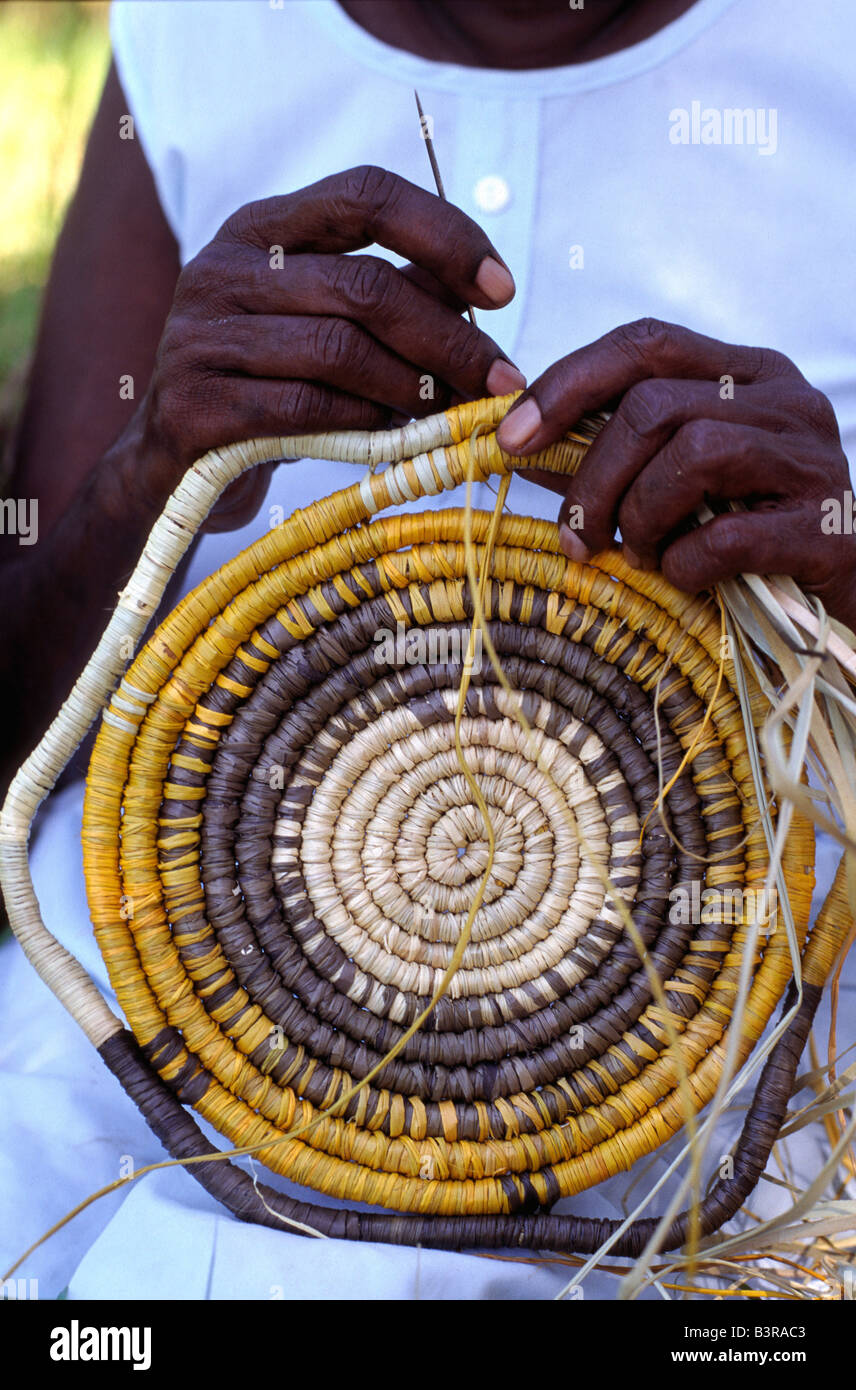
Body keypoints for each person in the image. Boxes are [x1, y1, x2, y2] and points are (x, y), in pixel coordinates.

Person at [0, 0, 853, 1299]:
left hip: (760, 1090)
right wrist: (149, 468)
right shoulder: (198, 32)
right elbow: (18, 732)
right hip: (171, 1089)